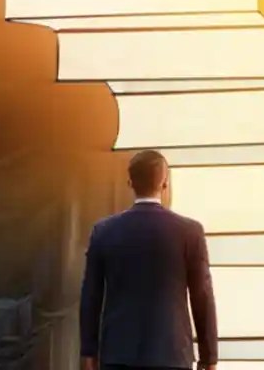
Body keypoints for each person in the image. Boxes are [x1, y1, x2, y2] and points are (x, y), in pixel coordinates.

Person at [80, 150, 218, 370]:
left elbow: (91, 296)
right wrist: (208, 357)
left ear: (130, 182)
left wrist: (88, 352)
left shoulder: (104, 231)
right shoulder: (190, 232)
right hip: (172, 355)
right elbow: (202, 296)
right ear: (165, 183)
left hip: (119, 355)